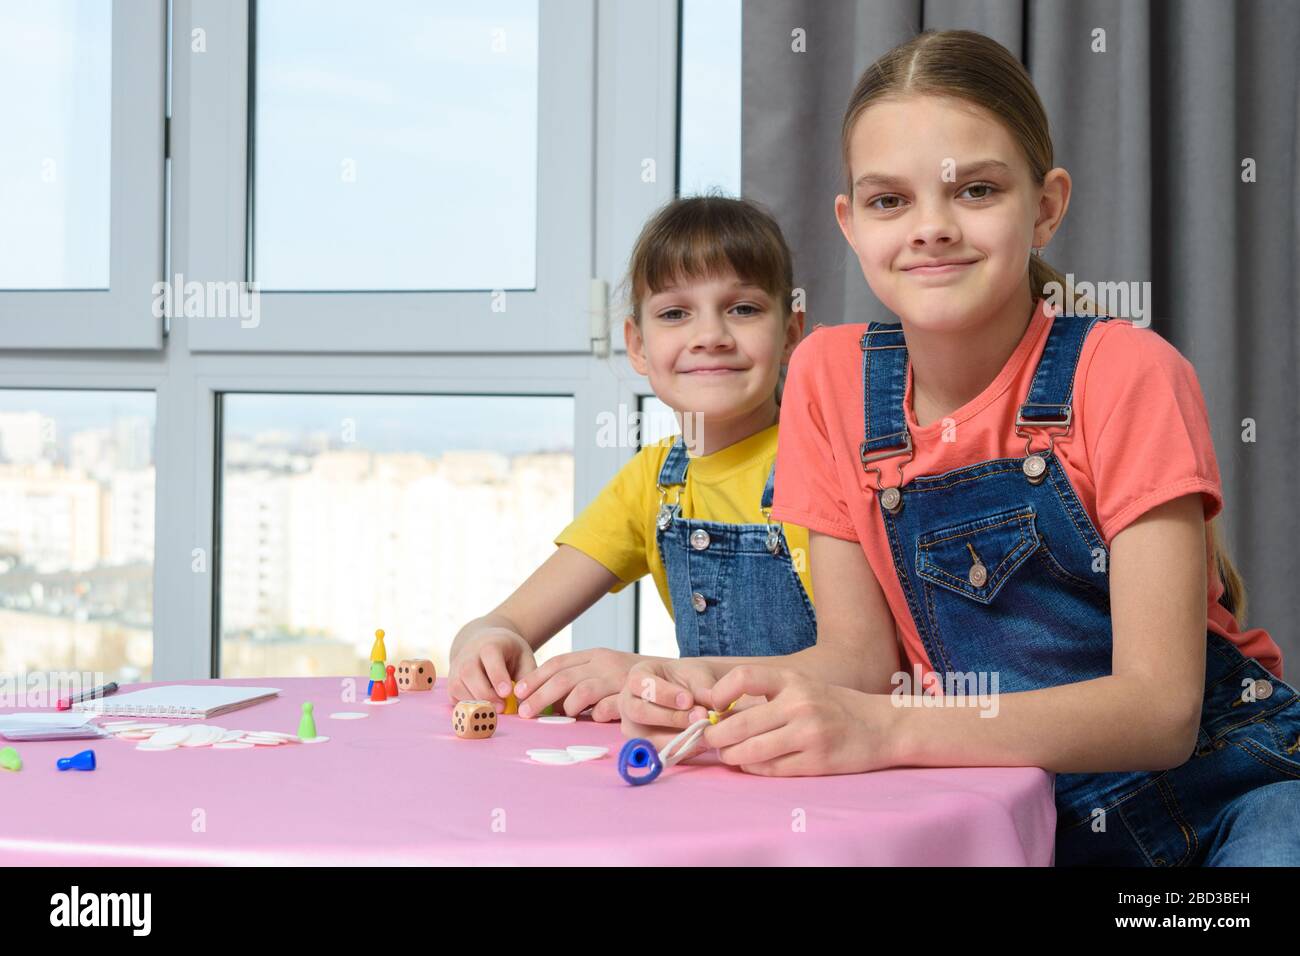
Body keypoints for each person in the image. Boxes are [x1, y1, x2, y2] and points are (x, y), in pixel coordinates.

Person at [621, 30, 1299, 866]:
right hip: (1022, 817)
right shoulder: (828, 379)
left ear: (1046, 205)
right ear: (850, 222)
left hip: (1234, 794)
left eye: (976, 190)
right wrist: (681, 680)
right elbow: (857, 662)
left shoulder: (1126, 372)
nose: (931, 229)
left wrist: (887, 729)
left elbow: (1160, 715)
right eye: (889, 201)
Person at [448, 196, 820, 721]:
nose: (710, 336)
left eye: (743, 308)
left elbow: (857, 671)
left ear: (790, 333)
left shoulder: (828, 462)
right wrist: (483, 643)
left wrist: (646, 673)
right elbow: (503, 622)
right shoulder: (655, 479)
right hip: (715, 762)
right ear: (638, 346)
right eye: (674, 313)